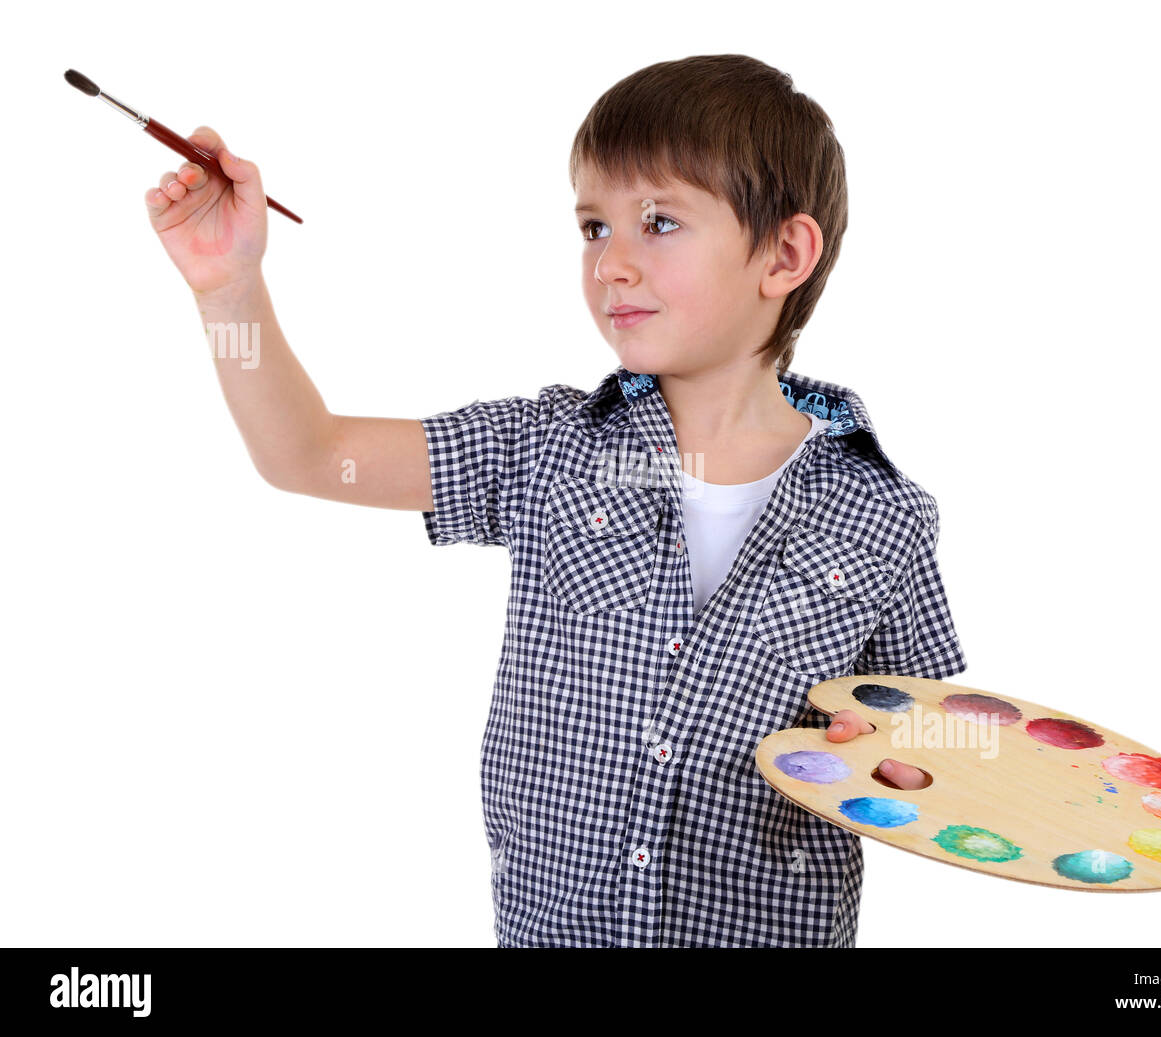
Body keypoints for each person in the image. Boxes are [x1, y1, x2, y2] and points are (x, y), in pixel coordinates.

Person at [145, 54, 966, 947]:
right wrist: (229, 288)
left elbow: (931, 747)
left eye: (657, 222)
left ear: (784, 254)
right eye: (591, 227)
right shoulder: (546, 449)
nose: (611, 263)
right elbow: (309, 454)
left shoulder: (885, 514)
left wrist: (887, 760)